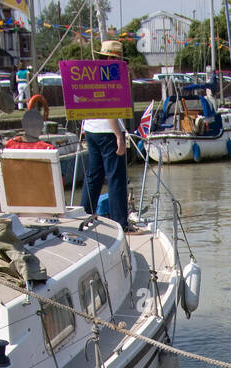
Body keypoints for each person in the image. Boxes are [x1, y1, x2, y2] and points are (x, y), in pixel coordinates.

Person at [80, 41, 141, 235]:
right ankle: (120, 222)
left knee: (94, 176)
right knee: (116, 178)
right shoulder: (110, 75)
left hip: (91, 129)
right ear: (113, 58)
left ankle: (84, 214)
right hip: (107, 131)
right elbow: (109, 107)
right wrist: (119, 136)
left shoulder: (90, 75)